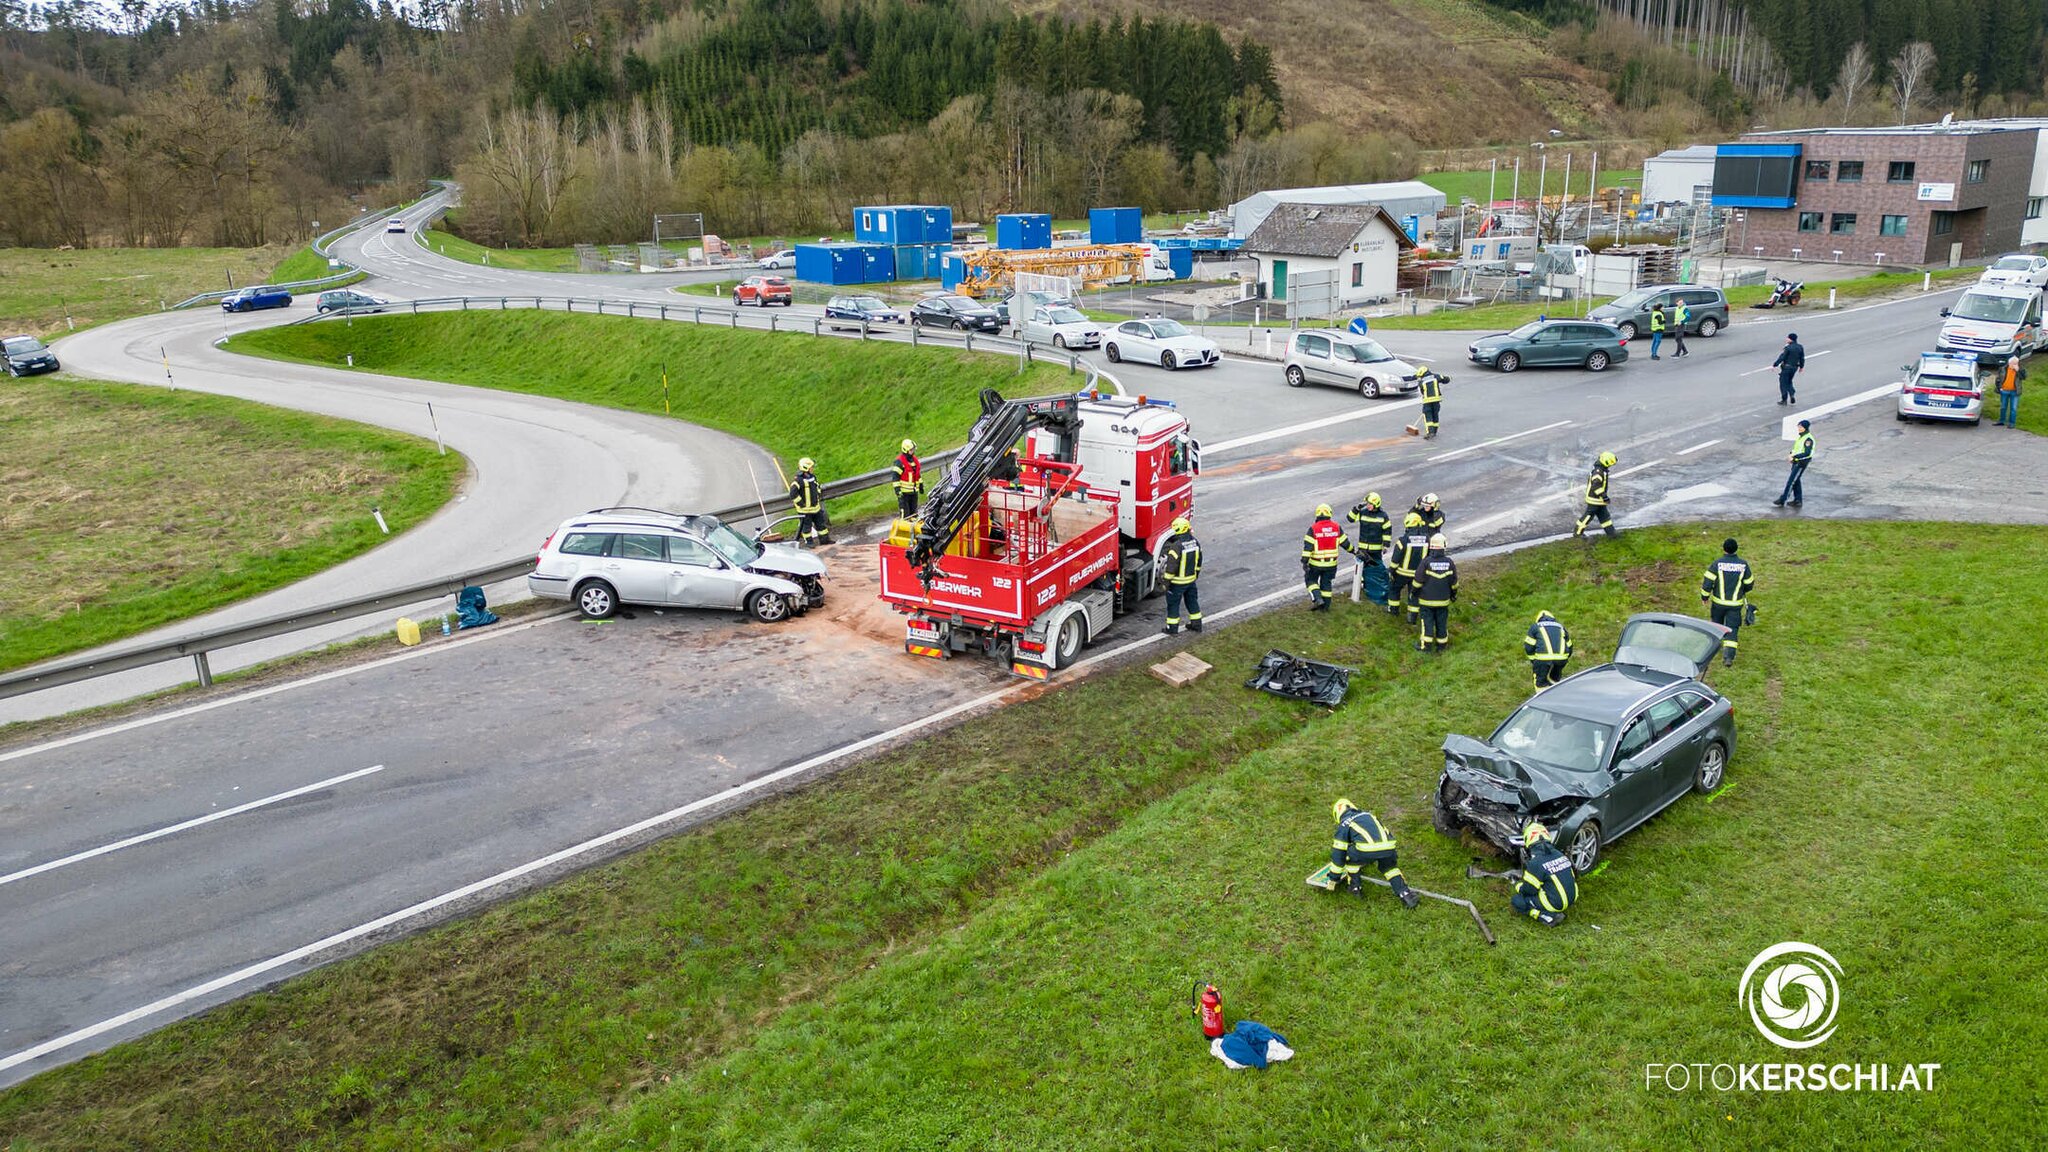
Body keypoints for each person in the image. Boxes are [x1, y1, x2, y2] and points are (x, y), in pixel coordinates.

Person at [1329, 799, 1419, 909]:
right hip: (1389, 847)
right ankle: (1406, 895)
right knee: (1390, 868)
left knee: (1350, 858)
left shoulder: (1344, 824)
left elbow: (1338, 854)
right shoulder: (1368, 815)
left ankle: (1354, 889)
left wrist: (1334, 878)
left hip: (1366, 850)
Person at [1700, 537, 1756, 666]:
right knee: (1732, 629)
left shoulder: (1717, 564)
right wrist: (1743, 590)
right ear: (1736, 549)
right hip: (1735, 605)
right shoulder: (1743, 565)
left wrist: (1705, 597)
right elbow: (1749, 583)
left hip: (1718, 604)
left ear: (1724, 549)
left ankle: (1712, 651)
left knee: (1716, 626)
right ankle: (1728, 657)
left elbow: (1708, 582)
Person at [1513, 822, 1577, 927]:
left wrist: (1518, 886)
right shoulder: (1559, 854)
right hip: (1572, 897)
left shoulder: (1536, 862)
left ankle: (1546, 916)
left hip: (1555, 903)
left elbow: (1529, 891)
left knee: (1518, 900)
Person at [1301, 503, 1354, 611]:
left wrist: (1304, 562)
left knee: (1310, 580)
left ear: (1317, 515)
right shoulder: (1336, 527)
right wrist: (1354, 551)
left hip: (1315, 563)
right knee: (1326, 584)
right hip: (1331, 564)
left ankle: (1317, 598)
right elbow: (1345, 544)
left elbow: (1308, 547)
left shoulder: (1313, 529)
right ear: (1330, 514)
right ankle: (1325, 608)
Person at [1347, 491, 1395, 608]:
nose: (1367, 506)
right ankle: (1366, 587)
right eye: (1367, 503)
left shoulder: (1383, 516)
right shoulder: (1362, 512)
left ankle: (1374, 588)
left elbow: (1387, 530)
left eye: (1369, 504)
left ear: (1376, 504)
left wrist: (1386, 545)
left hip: (1376, 549)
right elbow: (1350, 519)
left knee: (1375, 568)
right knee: (1363, 569)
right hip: (1363, 548)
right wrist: (1356, 509)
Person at [1413, 532, 1458, 654]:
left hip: (1426, 602)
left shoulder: (1425, 562)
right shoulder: (1450, 563)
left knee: (1427, 624)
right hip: (1443, 601)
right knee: (1441, 623)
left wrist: (1414, 592)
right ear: (1443, 546)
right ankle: (1441, 646)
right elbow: (1454, 583)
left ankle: (1426, 647)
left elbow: (1417, 580)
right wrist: (1453, 595)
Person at [1159, 516, 1203, 635]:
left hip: (1177, 583)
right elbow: (1199, 561)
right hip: (1191, 581)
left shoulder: (1177, 546)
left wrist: (1166, 583)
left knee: (1173, 605)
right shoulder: (1195, 542)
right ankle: (1197, 625)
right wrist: (1195, 575)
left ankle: (1172, 629)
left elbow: (1171, 567)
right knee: (1192, 602)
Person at [1390, 512, 1430, 620]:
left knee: (1394, 589)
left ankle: (1393, 611)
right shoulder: (1427, 539)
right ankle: (1412, 618)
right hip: (1418, 574)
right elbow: (1430, 557)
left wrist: (1391, 571)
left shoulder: (1403, 540)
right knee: (1414, 594)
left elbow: (1395, 559)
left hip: (1402, 573)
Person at [1572, 451, 1617, 538]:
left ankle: (1611, 533)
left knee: (1604, 517)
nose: (1610, 466)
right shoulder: (1598, 472)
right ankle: (1577, 533)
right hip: (1595, 500)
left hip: (1599, 500)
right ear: (1606, 462)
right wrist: (1604, 496)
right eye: (1610, 464)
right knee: (1588, 516)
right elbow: (1595, 486)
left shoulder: (1601, 470)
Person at [1524, 610, 1573, 689]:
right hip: (1561, 658)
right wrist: (1565, 658)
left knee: (1540, 683)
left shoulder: (1535, 627)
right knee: (1555, 681)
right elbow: (1569, 646)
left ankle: (1542, 698)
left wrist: (1534, 661)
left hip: (1543, 658)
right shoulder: (1560, 627)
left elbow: (1529, 647)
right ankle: (1557, 694)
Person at [788, 457, 830, 546]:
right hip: (805, 510)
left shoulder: (813, 477)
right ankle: (809, 542)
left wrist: (818, 495)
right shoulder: (798, 480)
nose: (812, 469)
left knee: (821, 525)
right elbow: (793, 494)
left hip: (815, 508)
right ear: (805, 468)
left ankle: (825, 540)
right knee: (806, 528)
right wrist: (801, 504)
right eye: (811, 467)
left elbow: (817, 486)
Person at [1775, 419, 1813, 508]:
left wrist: (1794, 457)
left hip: (1801, 463)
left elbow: (1807, 453)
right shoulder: (1801, 437)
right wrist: (1791, 454)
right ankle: (1798, 500)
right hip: (1796, 461)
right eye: (1798, 426)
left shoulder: (1808, 439)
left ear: (1805, 428)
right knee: (1796, 481)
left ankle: (1783, 499)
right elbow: (1797, 449)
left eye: (1800, 427)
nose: (1799, 428)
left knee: (1791, 481)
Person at [892, 438, 923, 518]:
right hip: (904, 494)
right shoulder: (899, 462)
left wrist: (921, 484)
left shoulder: (914, 461)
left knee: (914, 514)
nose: (913, 451)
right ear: (905, 450)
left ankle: (913, 530)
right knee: (905, 515)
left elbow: (917, 474)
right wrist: (898, 491)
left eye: (913, 449)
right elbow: (895, 478)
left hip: (913, 492)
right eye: (911, 450)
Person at [1773, 333, 1805, 405]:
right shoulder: (1800, 347)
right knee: (1789, 381)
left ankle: (1784, 400)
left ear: (1791, 339)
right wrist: (1801, 367)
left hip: (1786, 368)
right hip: (1794, 368)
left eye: (1787, 338)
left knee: (1783, 383)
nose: (1786, 339)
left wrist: (1775, 364)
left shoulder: (1788, 348)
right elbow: (1802, 358)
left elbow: (1782, 357)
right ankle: (1792, 394)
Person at [1997, 356, 2024, 428]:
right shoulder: (2003, 369)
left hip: (2014, 391)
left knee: (2013, 408)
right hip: (2004, 390)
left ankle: (2012, 423)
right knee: (2003, 407)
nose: (2015, 365)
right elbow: (1998, 379)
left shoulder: (2020, 369)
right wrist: (2000, 388)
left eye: (2016, 363)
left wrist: (2018, 371)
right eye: (2013, 363)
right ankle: (2001, 421)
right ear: (2009, 363)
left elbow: (2024, 377)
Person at [1418, 368, 1444, 439]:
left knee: (1428, 416)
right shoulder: (1435, 376)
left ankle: (1430, 432)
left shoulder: (1421, 382)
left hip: (1427, 402)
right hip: (1436, 401)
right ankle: (1435, 431)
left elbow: (1422, 392)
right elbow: (1444, 379)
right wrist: (1449, 378)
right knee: (1435, 415)